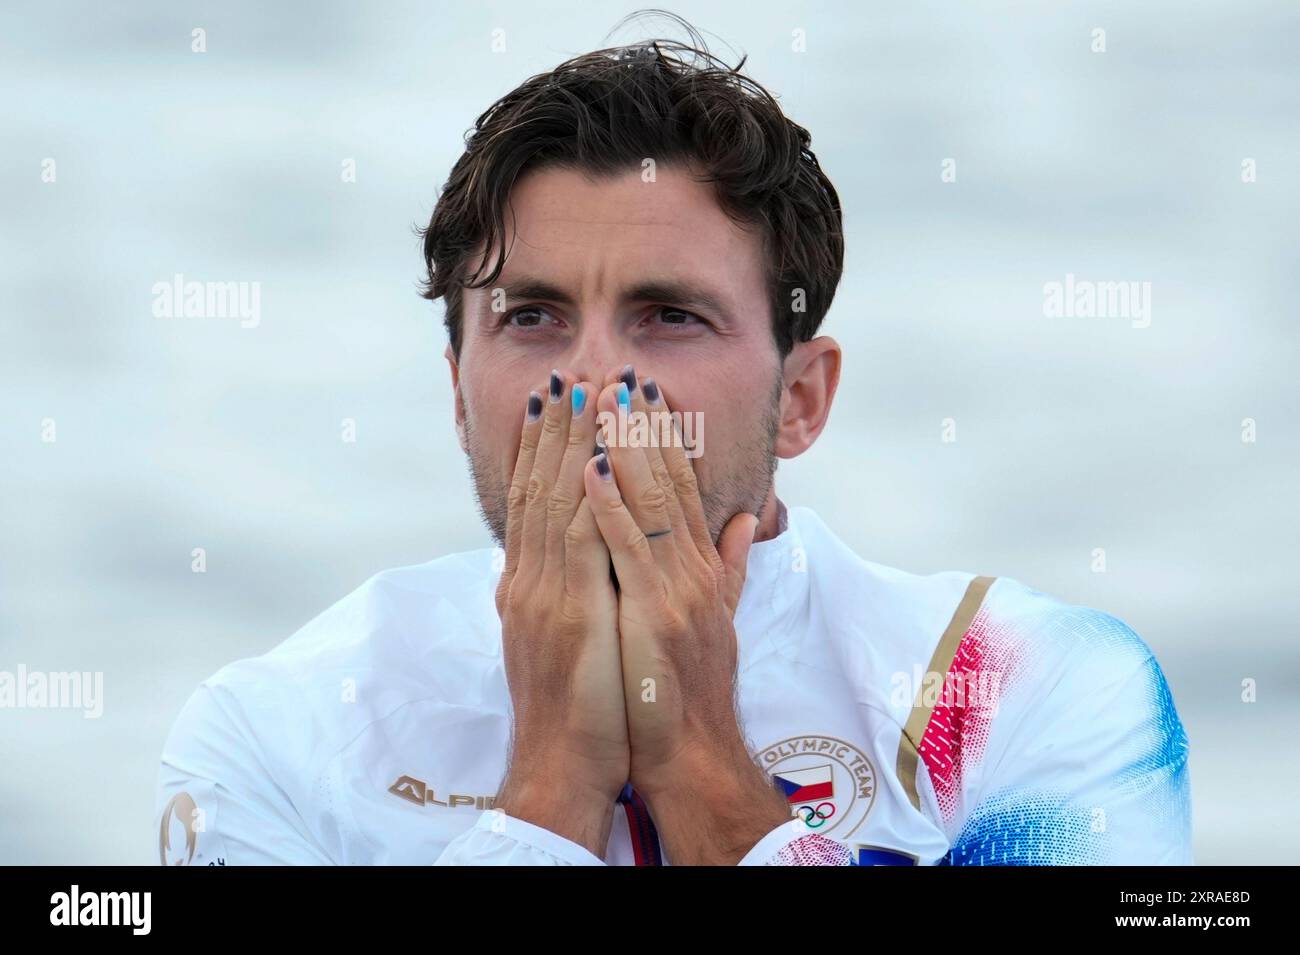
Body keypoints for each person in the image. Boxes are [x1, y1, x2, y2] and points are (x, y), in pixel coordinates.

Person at [156, 21, 1192, 866]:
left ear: (799, 397)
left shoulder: (1014, 683)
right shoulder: (277, 732)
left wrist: (701, 763)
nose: (598, 382)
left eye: (670, 316)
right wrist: (548, 791)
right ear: (458, 394)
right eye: (531, 318)